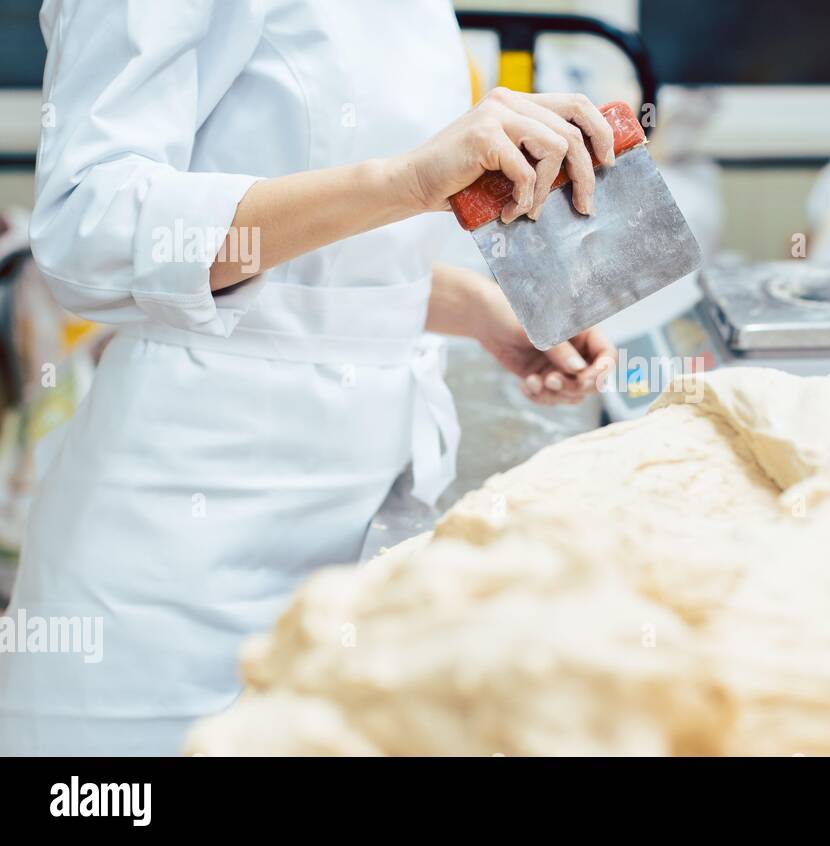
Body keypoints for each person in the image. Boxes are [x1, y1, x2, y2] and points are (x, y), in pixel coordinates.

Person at [0, 0, 617, 755]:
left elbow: (312, 267)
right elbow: (86, 228)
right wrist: (407, 180)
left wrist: (484, 312)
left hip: (366, 534)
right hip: (182, 552)